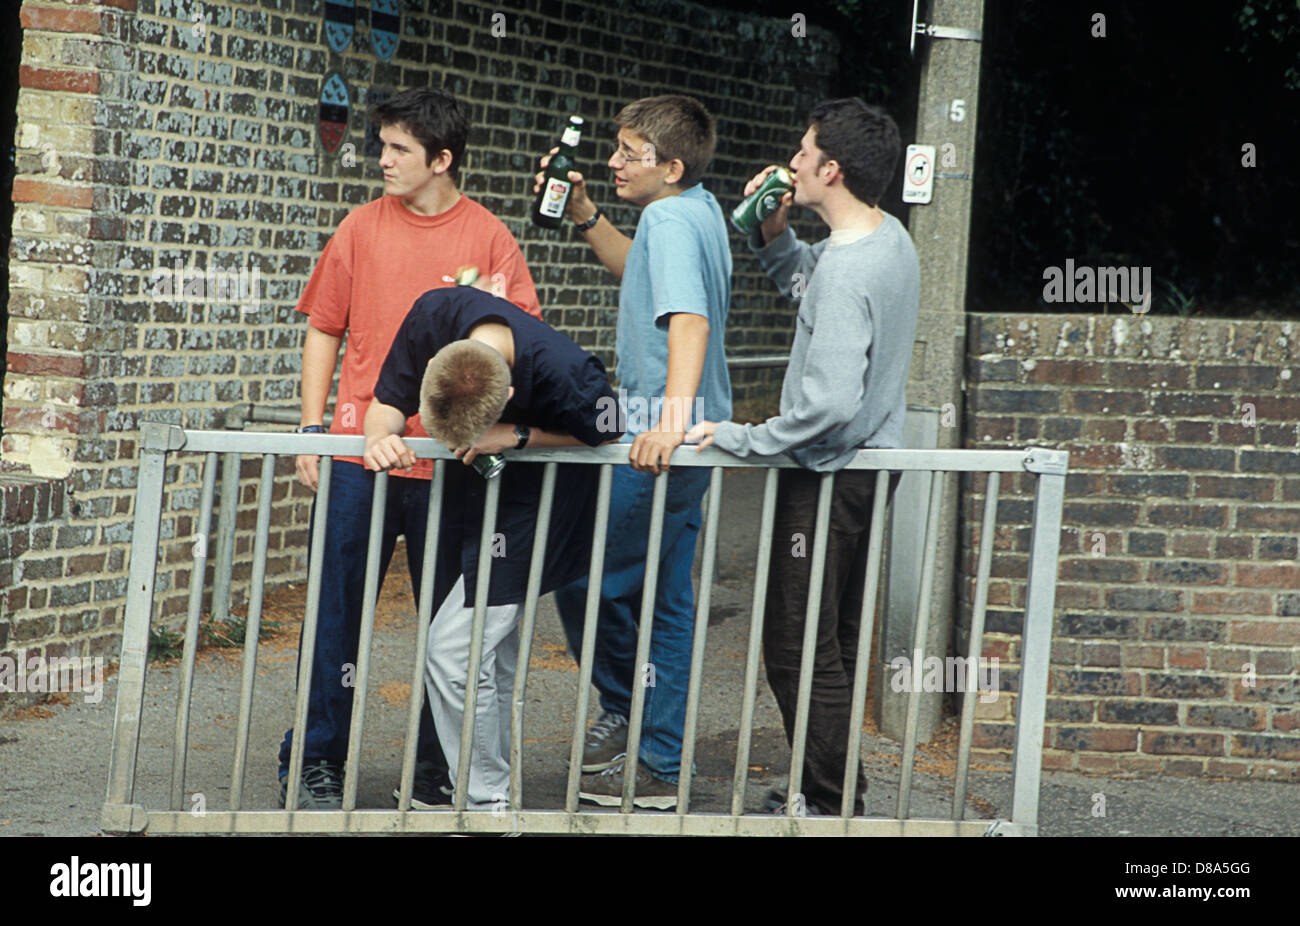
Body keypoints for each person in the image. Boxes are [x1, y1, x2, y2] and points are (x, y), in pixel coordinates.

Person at [279, 86, 541, 810]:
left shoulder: (489, 238)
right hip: (360, 456)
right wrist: (312, 429)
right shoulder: (360, 227)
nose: (382, 160)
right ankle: (315, 762)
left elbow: (521, 342)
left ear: (442, 160)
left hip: (449, 462)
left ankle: (434, 772)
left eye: (399, 150)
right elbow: (324, 326)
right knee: (335, 614)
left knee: (444, 632)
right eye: (382, 145)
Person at [687, 98, 920, 817]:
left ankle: (826, 805)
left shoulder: (851, 272)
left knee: (795, 647)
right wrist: (774, 235)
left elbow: (827, 403)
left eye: (802, 153)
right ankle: (834, 795)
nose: (791, 162)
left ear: (832, 169)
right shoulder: (887, 241)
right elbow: (807, 283)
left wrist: (742, 438)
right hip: (867, 468)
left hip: (827, 473)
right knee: (832, 642)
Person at [536, 95, 732, 809]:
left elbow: (689, 321)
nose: (613, 162)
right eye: (615, 149)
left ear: (670, 166)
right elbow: (643, 276)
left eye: (628, 154)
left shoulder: (673, 218)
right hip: (691, 427)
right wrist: (587, 213)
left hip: (662, 430)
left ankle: (625, 712)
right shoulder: (694, 210)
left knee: (582, 573)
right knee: (668, 597)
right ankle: (656, 764)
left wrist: (668, 423)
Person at [363, 281, 622, 808]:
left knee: (454, 653)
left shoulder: (567, 371)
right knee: (490, 659)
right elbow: (385, 403)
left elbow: (613, 429)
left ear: (506, 394)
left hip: (541, 507)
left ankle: (483, 804)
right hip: (473, 495)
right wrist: (380, 435)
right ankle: (491, 796)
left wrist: (519, 436)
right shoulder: (431, 312)